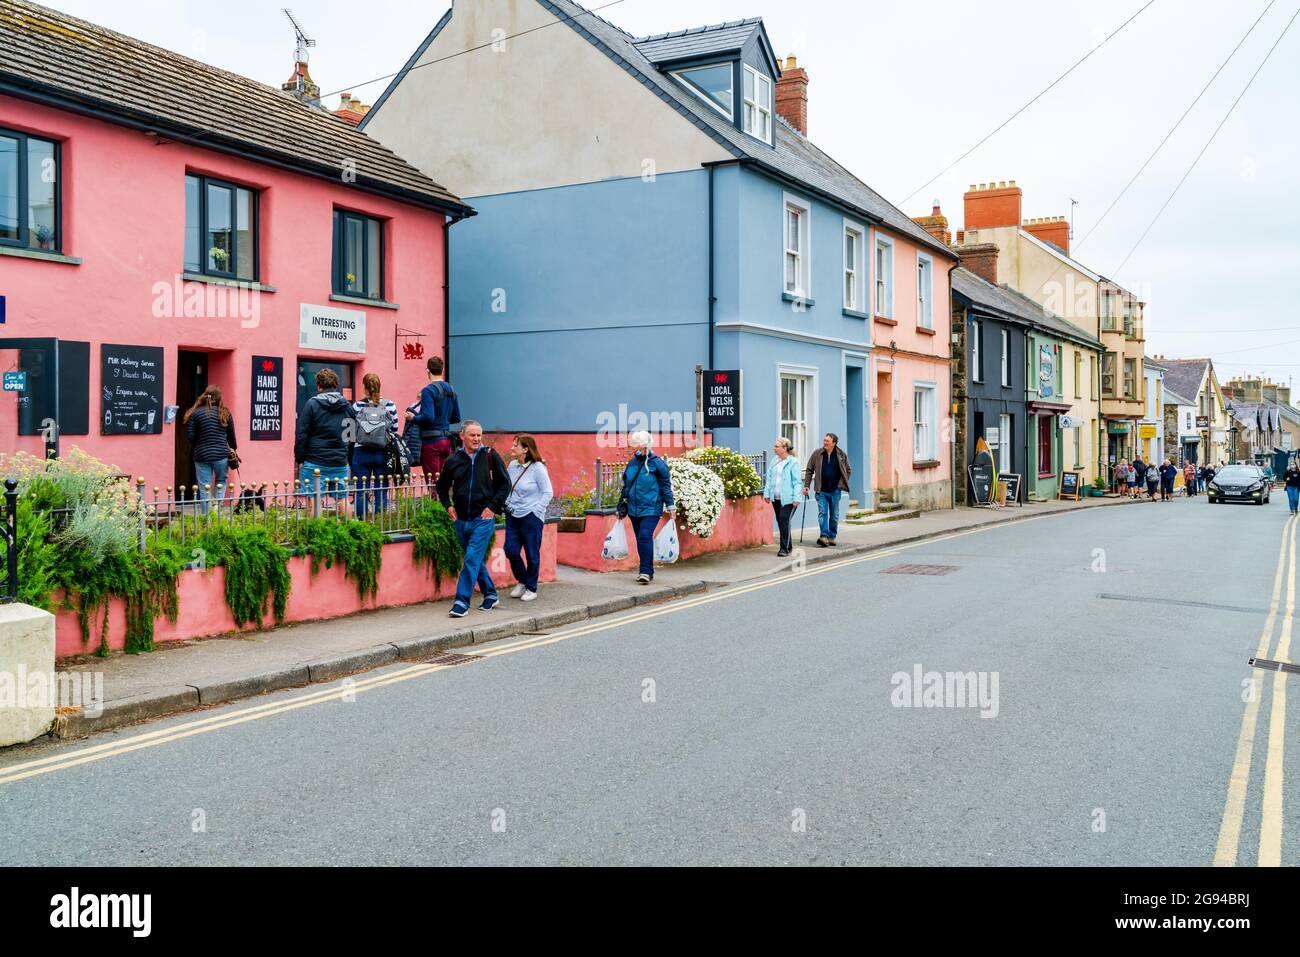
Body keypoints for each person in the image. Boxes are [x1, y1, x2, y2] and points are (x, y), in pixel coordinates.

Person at [436, 420, 510, 618]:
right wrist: (448, 506)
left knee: (471, 558)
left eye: (479, 435)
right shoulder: (453, 460)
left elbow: (505, 484)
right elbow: (441, 486)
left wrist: (493, 508)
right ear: (462, 436)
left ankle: (461, 601)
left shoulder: (490, 456)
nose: (477, 439)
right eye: (473, 435)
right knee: (474, 559)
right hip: (461, 520)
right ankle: (491, 594)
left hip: (482, 519)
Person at [615, 430, 675, 584]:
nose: (631, 447)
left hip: (651, 507)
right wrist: (620, 506)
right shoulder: (632, 462)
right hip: (634, 508)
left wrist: (670, 505)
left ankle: (645, 571)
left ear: (642, 445)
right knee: (640, 540)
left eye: (634, 444)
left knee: (644, 536)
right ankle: (648, 570)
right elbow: (626, 486)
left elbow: (665, 486)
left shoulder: (657, 463)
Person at [294, 368, 356, 514]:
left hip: (315, 460)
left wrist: (300, 457)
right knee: (342, 498)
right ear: (335, 385)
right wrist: (347, 458)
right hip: (339, 461)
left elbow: (302, 434)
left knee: (314, 499)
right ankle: (348, 531)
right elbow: (351, 436)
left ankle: (316, 533)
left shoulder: (312, 405)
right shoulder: (347, 407)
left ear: (319, 386)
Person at [504, 434, 553, 602]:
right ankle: (522, 580)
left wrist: (537, 511)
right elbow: (508, 488)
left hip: (531, 517)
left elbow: (548, 492)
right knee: (510, 550)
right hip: (513, 515)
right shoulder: (512, 465)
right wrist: (507, 504)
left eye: (515, 445)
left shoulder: (538, 467)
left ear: (526, 449)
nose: (511, 448)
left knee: (532, 554)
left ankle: (532, 587)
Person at [351, 373, 399, 519]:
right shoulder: (390, 405)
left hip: (360, 453)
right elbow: (395, 429)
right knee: (381, 489)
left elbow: (350, 433)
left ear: (364, 387)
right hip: (382, 453)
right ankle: (381, 524)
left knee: (361, 490)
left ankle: (361, 524)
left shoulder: (357, 406)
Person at [183, 385, 237, 513]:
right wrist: (234, 448)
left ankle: (207, 516)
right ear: (219, 397)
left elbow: (190, 436)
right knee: (221, 481)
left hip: (201, 455)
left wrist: (200, 444)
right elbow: (231, 435)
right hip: (221, 455)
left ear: (205, 395)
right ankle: (217, 509)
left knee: (204, 486)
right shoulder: (224, 412)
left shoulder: (195, 413)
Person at [407, 356, 461, 482]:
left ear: (428, 371)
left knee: (433, 482)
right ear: (442, 369)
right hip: (446, 441)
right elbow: (456, 417)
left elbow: (428, 417)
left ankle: (435, 501)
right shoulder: (451, 389)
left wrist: (413, 418)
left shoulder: (428, 390)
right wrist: (443, 420)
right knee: (444, 480)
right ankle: (445, 501)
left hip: (431, 442)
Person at [804, 433, 851, 547]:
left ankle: (832, 536)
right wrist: (806, 485)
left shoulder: (841, 455)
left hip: (835, 491)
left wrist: (841, 484)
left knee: (834, 515)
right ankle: (824, 536)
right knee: (823, 513)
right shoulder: (817, 454)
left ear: (834, 443)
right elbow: (809, 469)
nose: (824, 443)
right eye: (824, 440)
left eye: (827, 441)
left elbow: (848, 470)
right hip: (821, 490)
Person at [763, 436, 804, 557]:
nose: (774, 448)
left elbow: (797, 482)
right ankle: (789, 546)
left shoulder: (794, 462)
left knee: (784, 520)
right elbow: (769, 478)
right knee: (782, 522)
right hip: (776, 498)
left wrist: (797, 498)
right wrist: (766, 493)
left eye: (776, 446)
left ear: (784, 448)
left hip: (789, 499)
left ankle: (783, 549)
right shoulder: (774, 461)